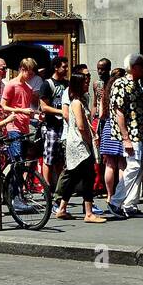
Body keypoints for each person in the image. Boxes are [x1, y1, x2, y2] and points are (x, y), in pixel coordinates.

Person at [55, 70, 105, 224]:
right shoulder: (76, 102)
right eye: (84, 82)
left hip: (76, 142)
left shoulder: (79, 101)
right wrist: (90, 141)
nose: (87, 84)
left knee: (74, 176)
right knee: (88, 177)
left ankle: (62, 208)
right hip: (79, 144)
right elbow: (81, 126)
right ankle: (88, 213)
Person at [108, 54, 143, 219]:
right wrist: (125, 137)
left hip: (139, 132)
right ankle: (115, 202)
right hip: (132, 134)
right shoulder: (121, 83)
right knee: (133, 166)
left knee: (140, 167)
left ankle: (130, 204)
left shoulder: (136, 84)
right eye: (141, 65)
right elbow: (119, 111)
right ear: (133, 67)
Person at [97, 64, 126, 212]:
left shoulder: (106, 92)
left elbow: (101, 114)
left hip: (108, 127)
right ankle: (121, 197)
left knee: (109, 165)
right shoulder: (124, 90)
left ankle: (109, 195)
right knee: (121, 165)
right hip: (121, 128)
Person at [38, 59, 70, 191]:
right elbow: (44, 107)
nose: (67, 69)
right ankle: (46, 187)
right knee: (49, 157)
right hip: (52, 125)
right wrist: (62, 111)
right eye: (64, 67)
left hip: (65, 126)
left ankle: (59, 187)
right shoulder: (47, 84)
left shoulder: (67, 84)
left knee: (61, 159)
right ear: (56, 68)